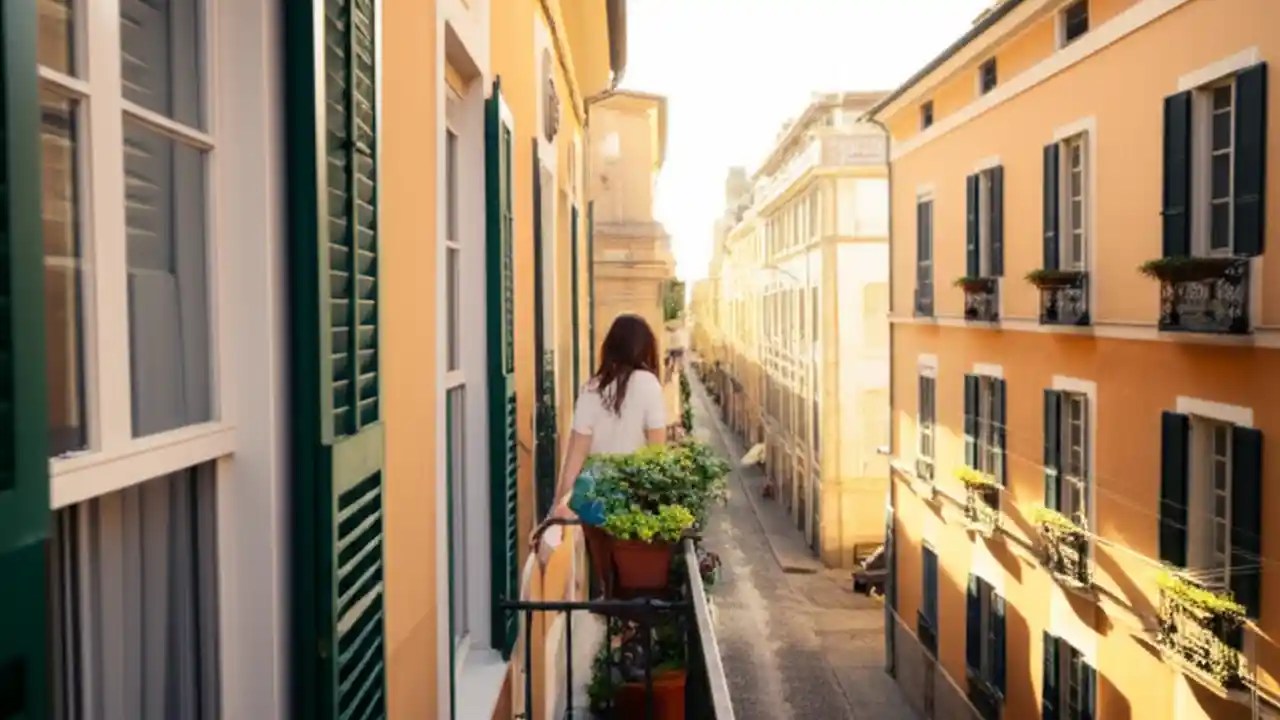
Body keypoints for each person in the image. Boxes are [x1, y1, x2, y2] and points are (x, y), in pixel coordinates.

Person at [534, 314, 667, 542]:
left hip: (591, 503)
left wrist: (557, 507)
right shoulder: (649, 384)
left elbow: (575, 456)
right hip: (632, 503)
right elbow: (657, 453)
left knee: (595, 562)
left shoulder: (591, 389)